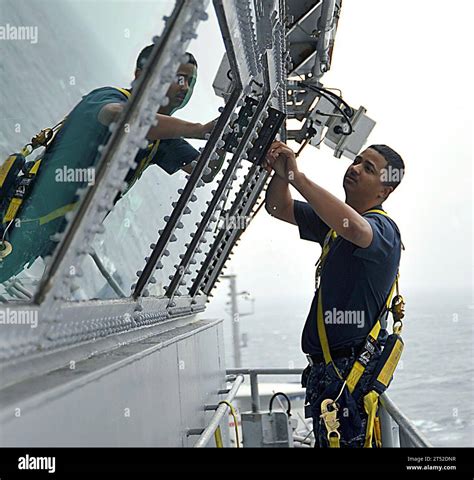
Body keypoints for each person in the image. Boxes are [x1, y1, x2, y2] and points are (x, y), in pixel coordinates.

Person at [0, 46, 218, 283]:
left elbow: (205, 171)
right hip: (19, 216)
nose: (184, 87)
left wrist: (225, 135)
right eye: (177, 77)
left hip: (54, 236)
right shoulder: (108, 98)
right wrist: (198, 129)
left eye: (189, 82)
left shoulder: (162, 137)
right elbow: (120, 117)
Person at [264, 140, 405, 447]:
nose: (354, 169)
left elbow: (356, 230)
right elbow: (278, 207)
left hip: (348, 376)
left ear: (384, 191)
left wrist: (298, 179)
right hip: (327, 375)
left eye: (368, 169)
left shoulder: (383, 231)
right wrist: (281, 174)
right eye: (357, 161)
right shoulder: (334, 225)